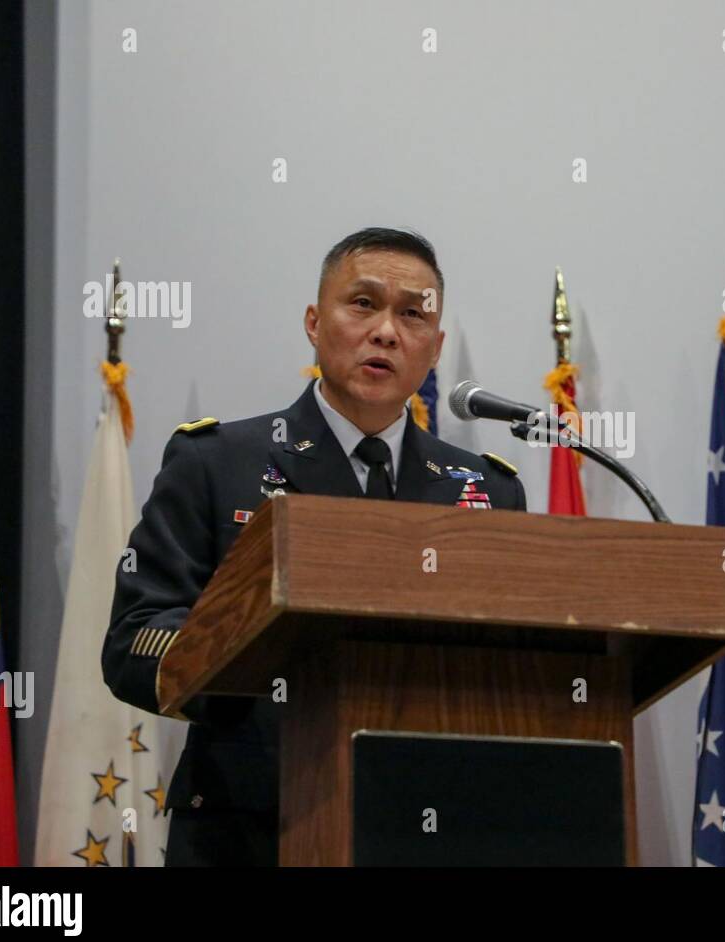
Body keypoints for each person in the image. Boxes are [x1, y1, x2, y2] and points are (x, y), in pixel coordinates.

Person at [102, 228, 526, 866]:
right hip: (251, 832)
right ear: (313, 321)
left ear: (434, 349)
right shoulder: (216, 464)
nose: (386, 330)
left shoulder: (488, 491)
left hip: (431, 831)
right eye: (363, 304)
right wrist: (254, 651)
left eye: (413, 314)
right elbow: (135, 639)